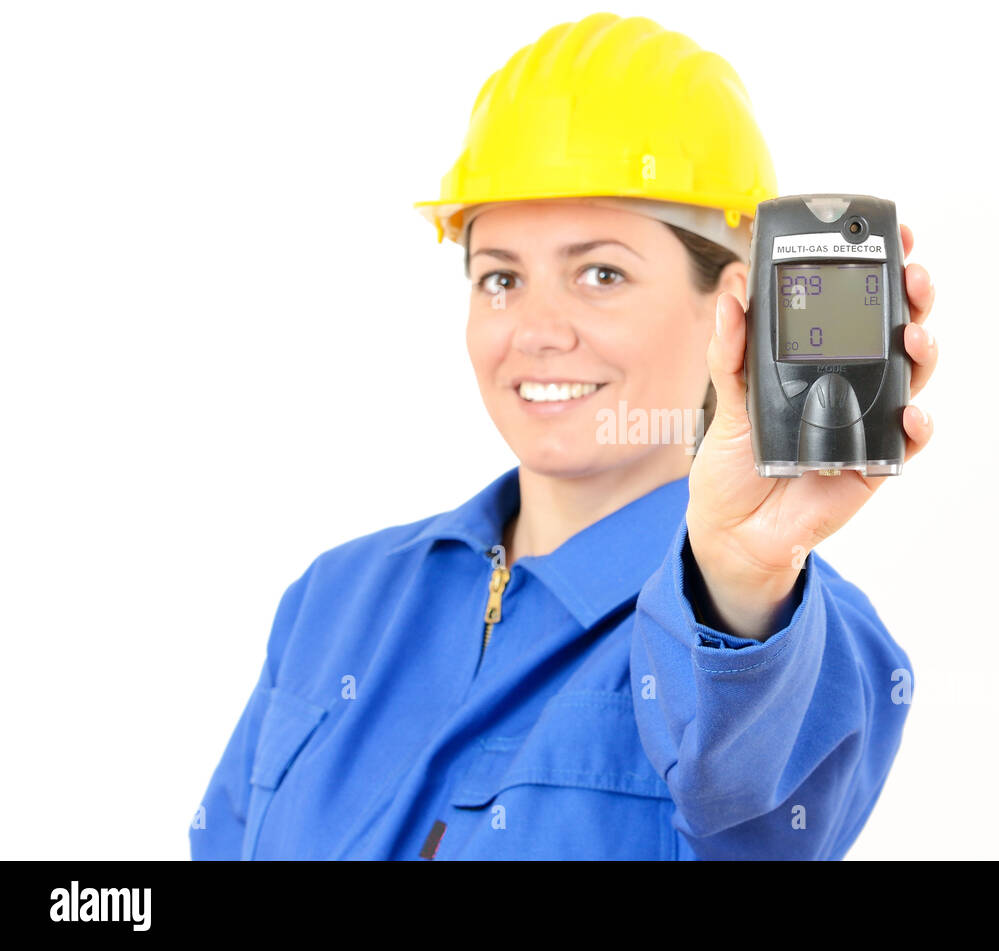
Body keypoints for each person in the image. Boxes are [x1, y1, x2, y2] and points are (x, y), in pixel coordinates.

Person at [189, 12, 938, 861]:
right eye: (500, 276)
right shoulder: (337, 599)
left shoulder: (783, 633)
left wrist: (740, 575)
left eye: (601, 272)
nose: (536, 330)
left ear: (736, 306)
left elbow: (754, 819)